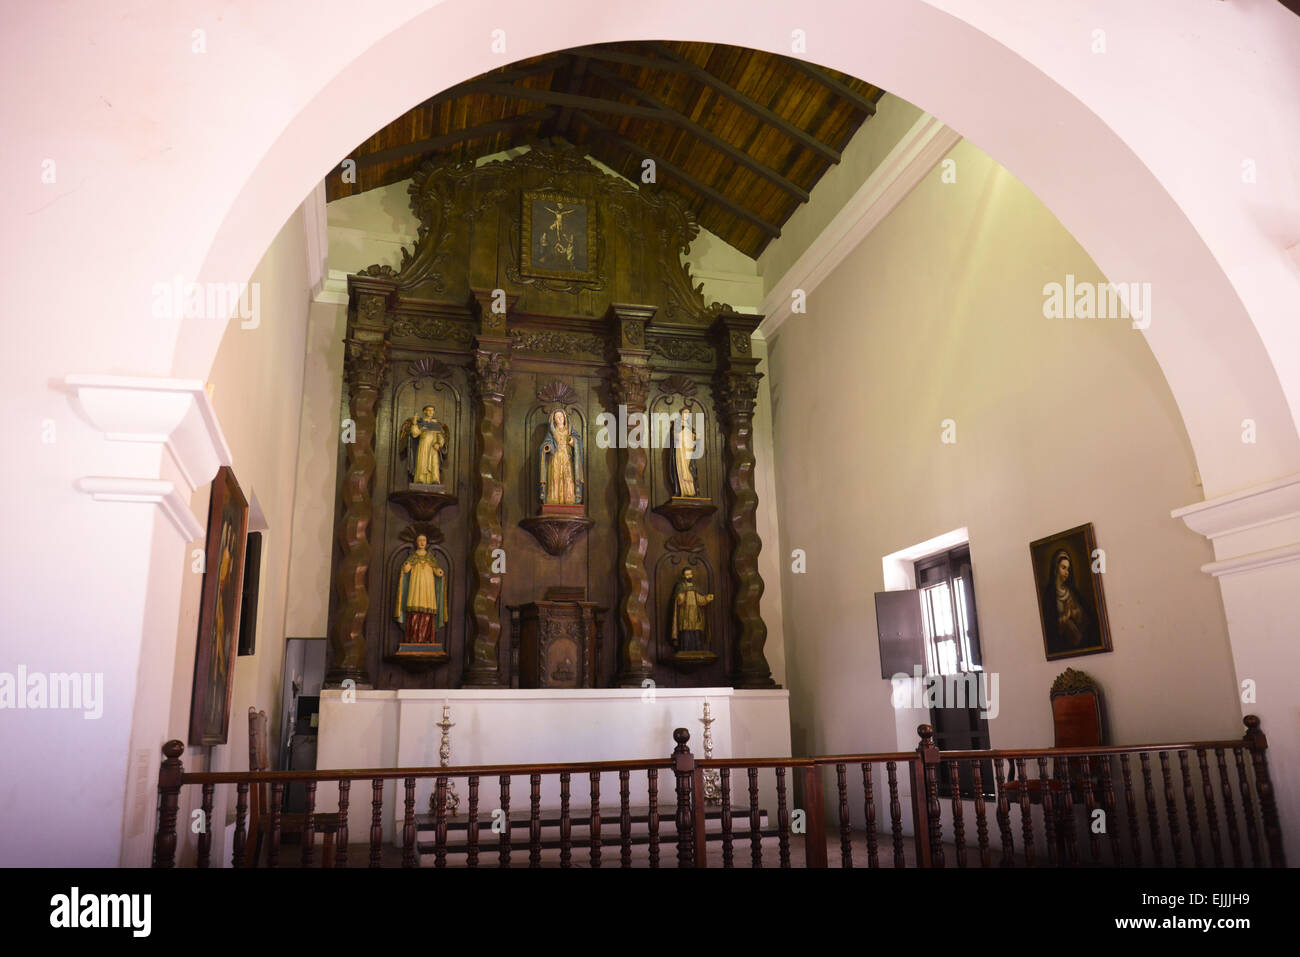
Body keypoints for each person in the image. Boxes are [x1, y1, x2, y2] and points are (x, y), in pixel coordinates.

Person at [395, 534, 448, 644]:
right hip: (416, 586)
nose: (422, 542)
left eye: (424, 540)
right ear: (416, 542)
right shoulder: (413, 556)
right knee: (414, 609)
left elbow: (435, 569)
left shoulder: (430, 557)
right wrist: (405, 566)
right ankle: (413, 638)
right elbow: (406, 569)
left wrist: (439, 572)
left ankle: (427, 637)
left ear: (427, 542)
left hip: (427, 586)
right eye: (420, 540)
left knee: (427, 610)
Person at [670, 568, 714, 653]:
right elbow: (679, 600)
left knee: (696, 633)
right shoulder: (680, 586)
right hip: (685, 614)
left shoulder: (695, 587)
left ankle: (697, 651)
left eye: (690, 574)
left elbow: (700, 600)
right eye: (687, 574)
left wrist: (707, 598)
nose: (689, 576)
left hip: (695, 615)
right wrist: (682, 595)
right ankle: (685, 651)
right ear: (683, 576)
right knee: (686, 633)